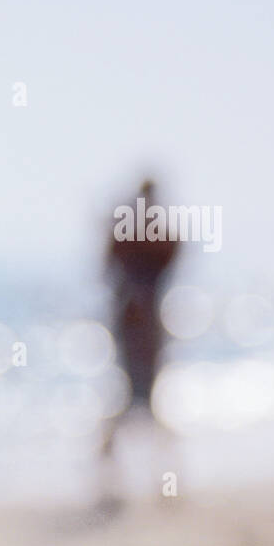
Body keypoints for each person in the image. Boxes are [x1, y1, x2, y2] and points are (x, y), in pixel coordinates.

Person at [99, 178, 179, 501]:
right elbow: (111, 265)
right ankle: (116, 473)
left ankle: (163, 478)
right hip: (135, 324)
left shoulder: (150, 232)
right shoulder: (131, 230)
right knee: (135, 400)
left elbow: (169, 256)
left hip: (146, 324)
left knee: (144, 401)